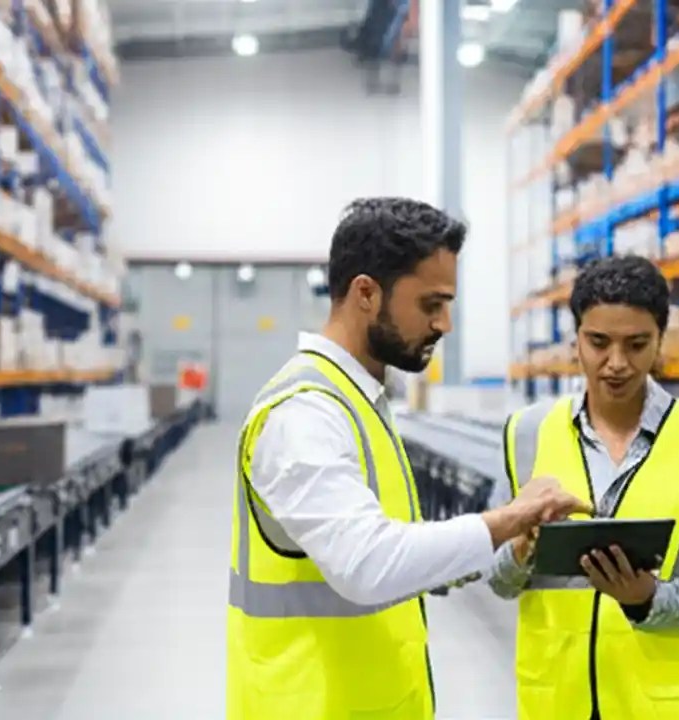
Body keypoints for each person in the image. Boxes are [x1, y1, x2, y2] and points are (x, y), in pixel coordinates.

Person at [225, 197, 592, 720]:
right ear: (366, 294)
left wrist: (504, 547)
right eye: (430, 304)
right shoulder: (304, 414)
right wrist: (505, 517)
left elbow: (400, 552)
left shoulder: (360, 401)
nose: (445, 324)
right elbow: (367, 565)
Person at [488, 255, 679, 718]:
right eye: (599, 343)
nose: (616, 364)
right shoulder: (524, 435)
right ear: (576, 341)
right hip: (558, 699)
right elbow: (498, 579)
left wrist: (647, 599)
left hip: (666, 703)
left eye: (636, 344)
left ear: (659, 342)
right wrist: (521, 549)